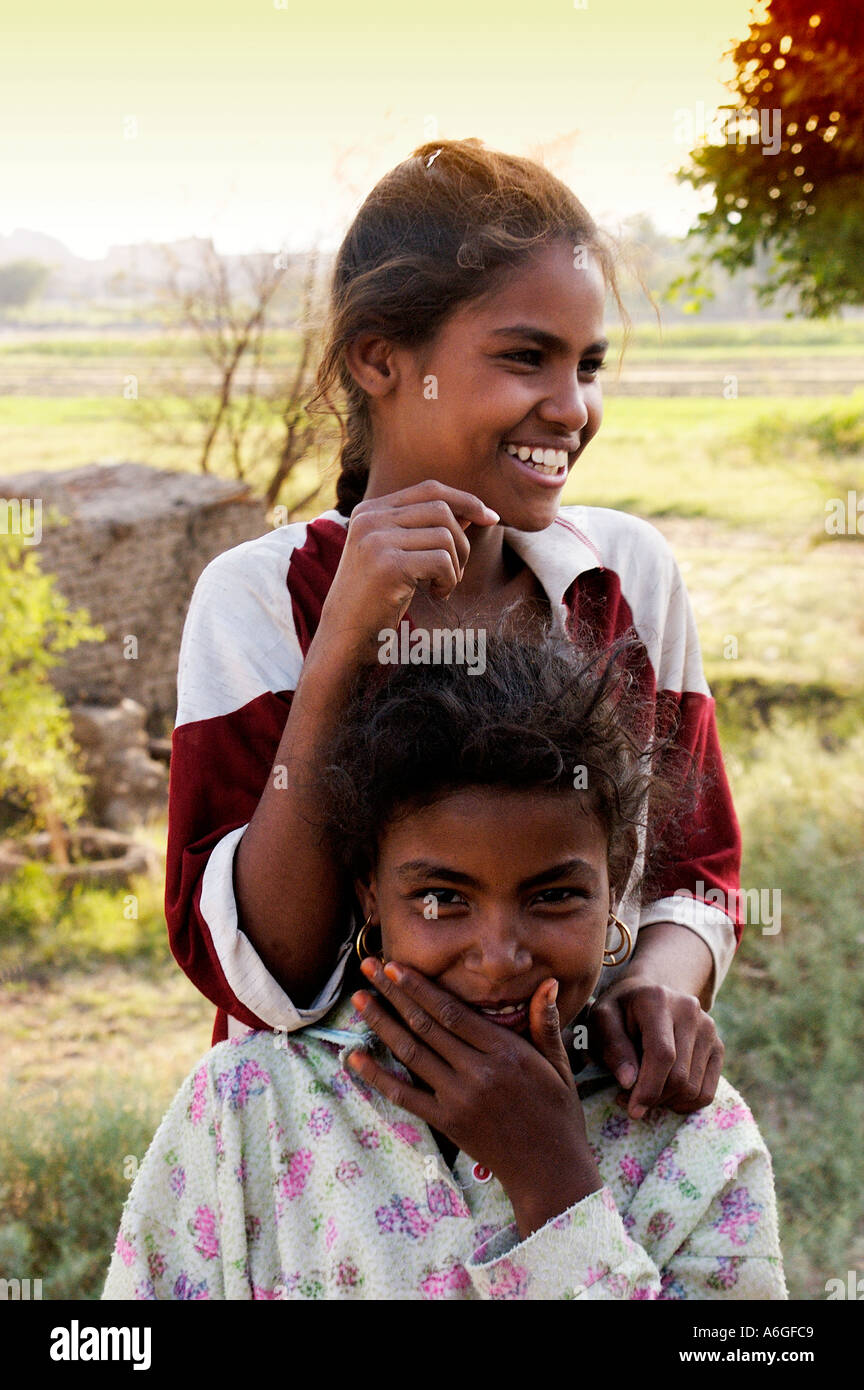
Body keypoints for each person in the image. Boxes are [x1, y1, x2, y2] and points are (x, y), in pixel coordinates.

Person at [166, 137, 742, 1122]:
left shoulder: (626, 579)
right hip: (322, 1168)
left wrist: (658, 985)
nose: (572, 409)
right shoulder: (260, 600)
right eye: (527, 357)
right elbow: (260, 970)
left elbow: (700, 875)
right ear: (381, 358)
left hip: (587, 1127)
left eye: (588, 365)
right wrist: (345, 637)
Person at [104, 634, 785, 1300]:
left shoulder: (693, 1137)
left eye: (554, 896)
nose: (498, 958)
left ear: (615, 889)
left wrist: (554, 1186)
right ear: (371, 892)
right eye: (442, 899)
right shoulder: (247, 1107)